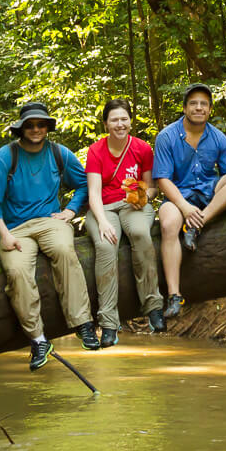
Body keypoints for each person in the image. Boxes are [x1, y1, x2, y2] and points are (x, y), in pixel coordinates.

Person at [0, 102, 99, 369]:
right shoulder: (5, 157)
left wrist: (70, 211)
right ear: (21, 129)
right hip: (15, 229)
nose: (35, 129)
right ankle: (38, 339)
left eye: (40, 124)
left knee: (64, 251)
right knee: (17, 272)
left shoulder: (58, 153)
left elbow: (84, 183)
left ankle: (82, 323)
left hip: (51, 221)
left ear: (47, 127)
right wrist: (4, 235)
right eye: (30, 125)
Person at [153, 84, 226, 315]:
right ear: (185, 108)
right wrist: (185, 208)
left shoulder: (217, 137)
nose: (199, 108)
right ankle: (174, 296)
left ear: (209, 110)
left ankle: (197, 226)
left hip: (210, 194)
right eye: (194, 103)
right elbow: (163, 180)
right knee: (168, 224)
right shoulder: (167, 136)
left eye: (203, 104)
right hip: (179, 196)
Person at [84, 101, 164, 340]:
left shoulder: (142, 148)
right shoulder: (96, 151)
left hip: (133, 205)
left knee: (140, 233)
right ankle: (108, 323)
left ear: (130, 121)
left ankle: (153, 308)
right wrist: (102, 222)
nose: (120, 124)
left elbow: (153, 188)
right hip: (103, 208)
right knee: (106, 245)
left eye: (124, 119)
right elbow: (94, 194)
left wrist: (141, 196)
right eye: (114, 120)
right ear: (106, 124)